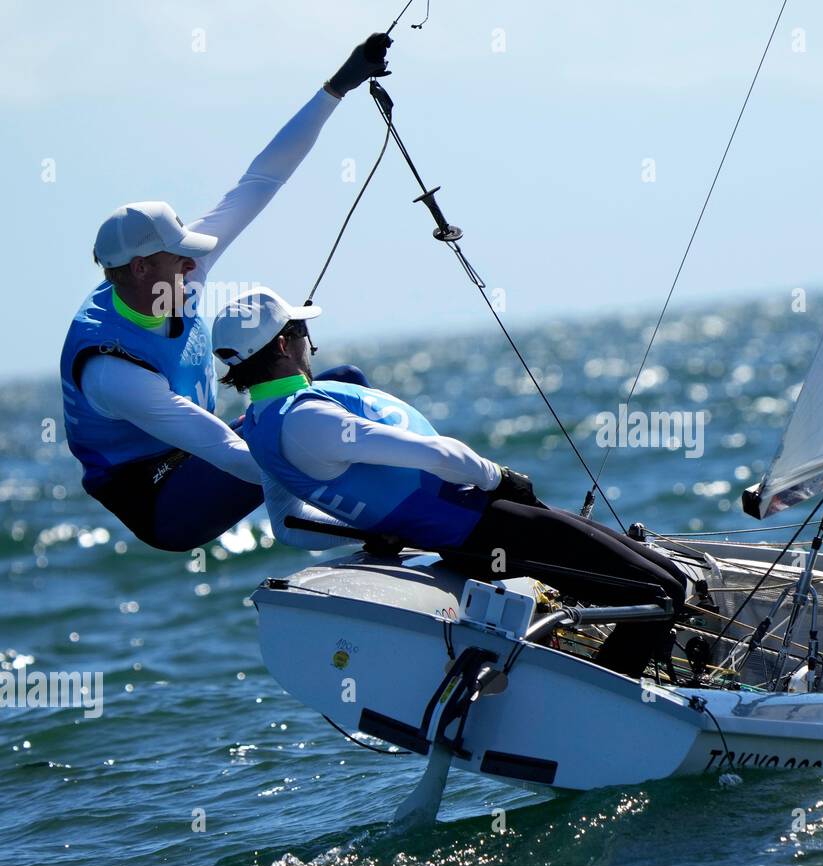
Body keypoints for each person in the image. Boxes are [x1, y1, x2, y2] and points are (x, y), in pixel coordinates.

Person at [211, 288, 692, 678]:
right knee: (659, 595)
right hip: (486, 529)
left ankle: (619, 677)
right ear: (280, 346)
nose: (309, 343)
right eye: (301, 333)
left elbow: (291, 526)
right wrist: (500, 476)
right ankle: (604, 704)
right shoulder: (306, 420)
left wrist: (369, 528)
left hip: (475, 535)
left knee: (668, 582)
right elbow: (434, 454)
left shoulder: (262, 425)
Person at [59, 34, 394, 552]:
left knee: (345, 387)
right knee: (311, 441)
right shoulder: (111, 371)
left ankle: (386, 517)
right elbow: (229, 451)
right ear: (143, 266)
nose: (195, 263)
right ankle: (355, 526)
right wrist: (369, 500)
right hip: (163, 501)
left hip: (206, 451)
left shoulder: (174, 274)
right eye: (181, 255)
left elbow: (262, 178)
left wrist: (338, 87)